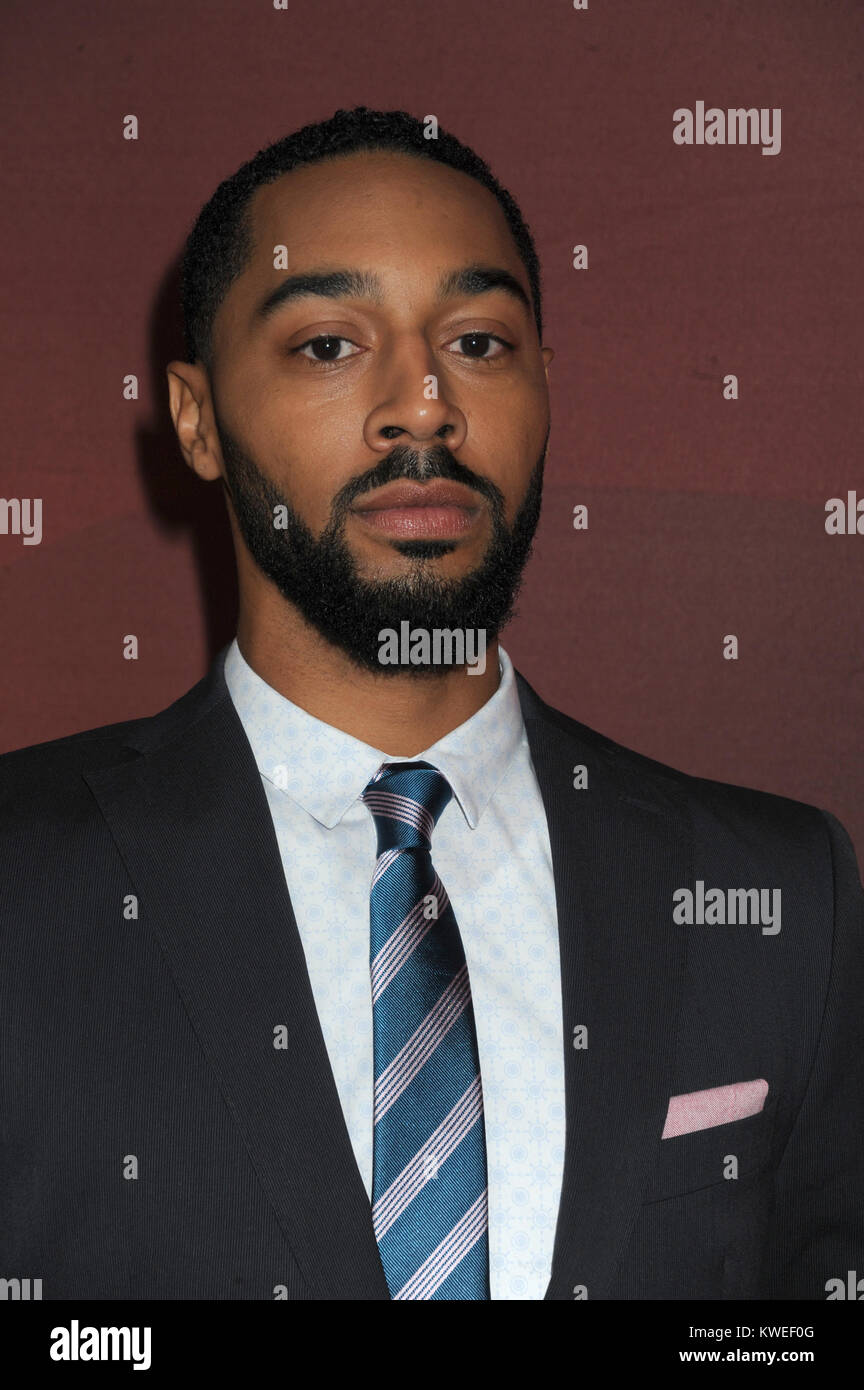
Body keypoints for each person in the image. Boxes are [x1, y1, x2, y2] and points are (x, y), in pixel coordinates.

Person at [1, 106, 861, 1302]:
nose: (423, 404)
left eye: (478, 340)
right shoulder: (20, 883)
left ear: (547, 391)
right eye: (326, 345)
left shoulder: (784, 895)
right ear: (196, 418)